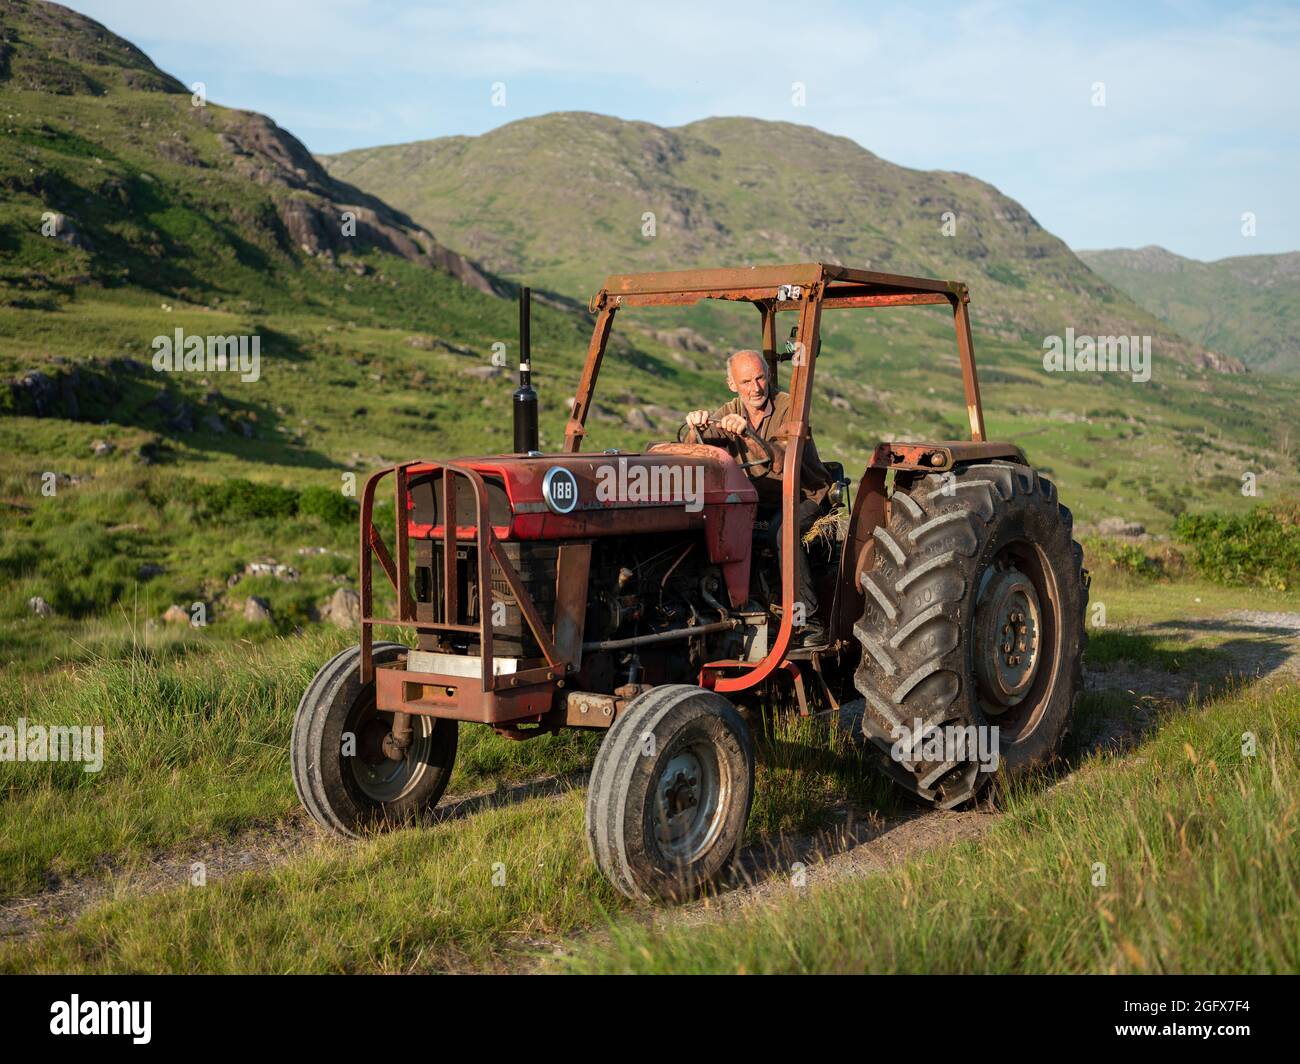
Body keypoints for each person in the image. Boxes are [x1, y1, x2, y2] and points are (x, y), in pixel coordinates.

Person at [686, 349, 832, 647]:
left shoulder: (789, 407)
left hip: (803, 495)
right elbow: (701, 447)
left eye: (760, 378)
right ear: (732, 385)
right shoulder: (731, 408)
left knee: (783, 532)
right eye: (746, 382)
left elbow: (781, 460)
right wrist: (696, 428)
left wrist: (749, 433)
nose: (756, 388)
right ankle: (726, 612)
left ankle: (809, 624)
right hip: (758, 502)